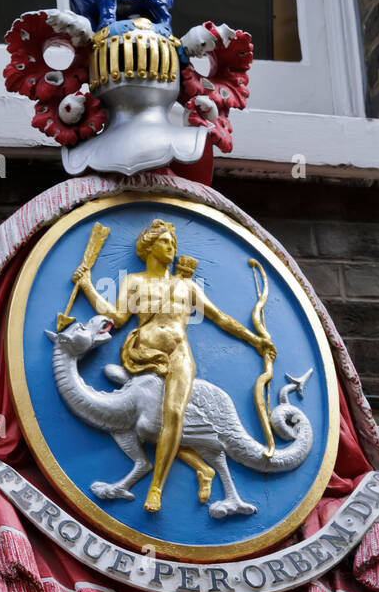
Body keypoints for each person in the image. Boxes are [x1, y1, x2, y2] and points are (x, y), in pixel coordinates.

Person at [72, 219, 276, 512]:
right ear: (149, 246)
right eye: (165, 242)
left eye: (173, 243)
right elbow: (116, 318)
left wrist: (255, 340)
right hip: (144, 353)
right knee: (148, 419)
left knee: (174, 414)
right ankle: (198, 470)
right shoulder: (134, 282)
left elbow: (220, 317)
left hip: (180, 355)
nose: (172, 248)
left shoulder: (186, 286)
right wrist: (88, 286)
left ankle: (156, 488)